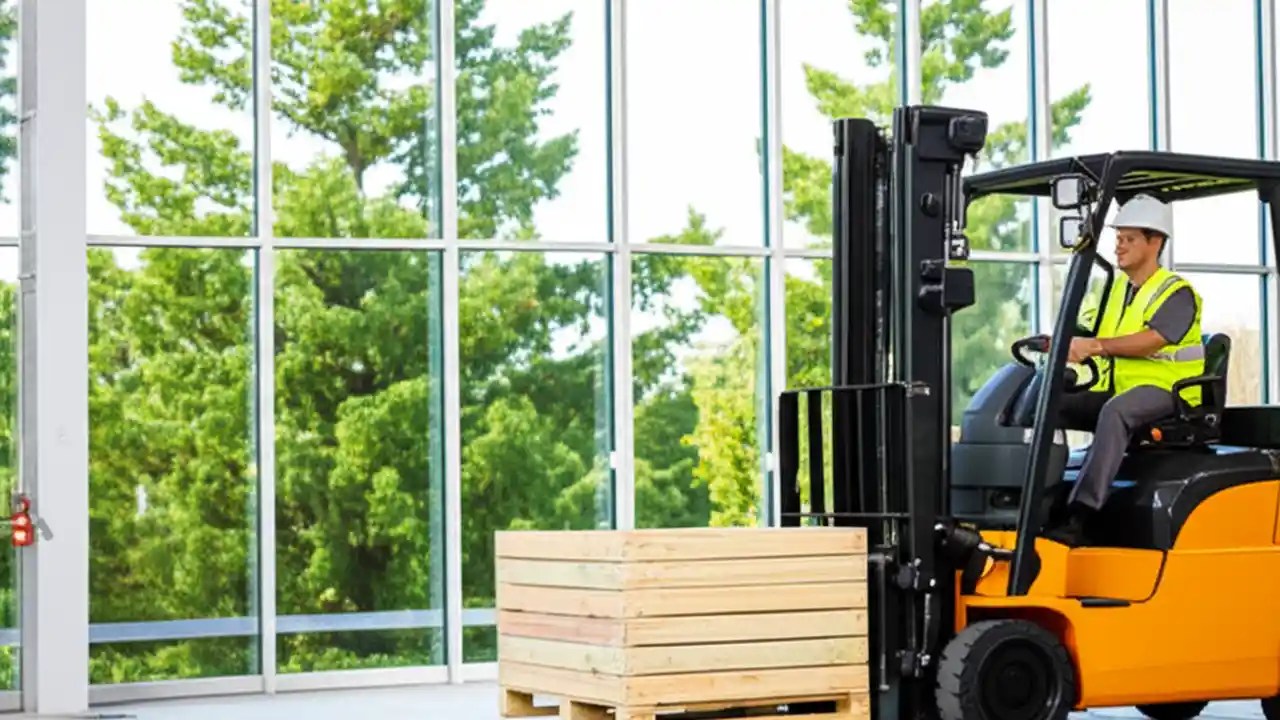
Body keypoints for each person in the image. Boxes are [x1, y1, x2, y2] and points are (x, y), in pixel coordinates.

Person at [1043, 193, 1204, 546]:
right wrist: (1060, 341)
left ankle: (1080, 515)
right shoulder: (1115, 290)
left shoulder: (1176, 292)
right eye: (1118, 239)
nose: (1119, 247)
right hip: (1122, 386)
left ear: (1155, 242)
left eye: (1128, 239)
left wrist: (1097, 347)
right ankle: (1039, 500)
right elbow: (1089, 327)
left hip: (1170, 392)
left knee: (1117, 412)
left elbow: (1155, 339)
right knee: (1049, 403)